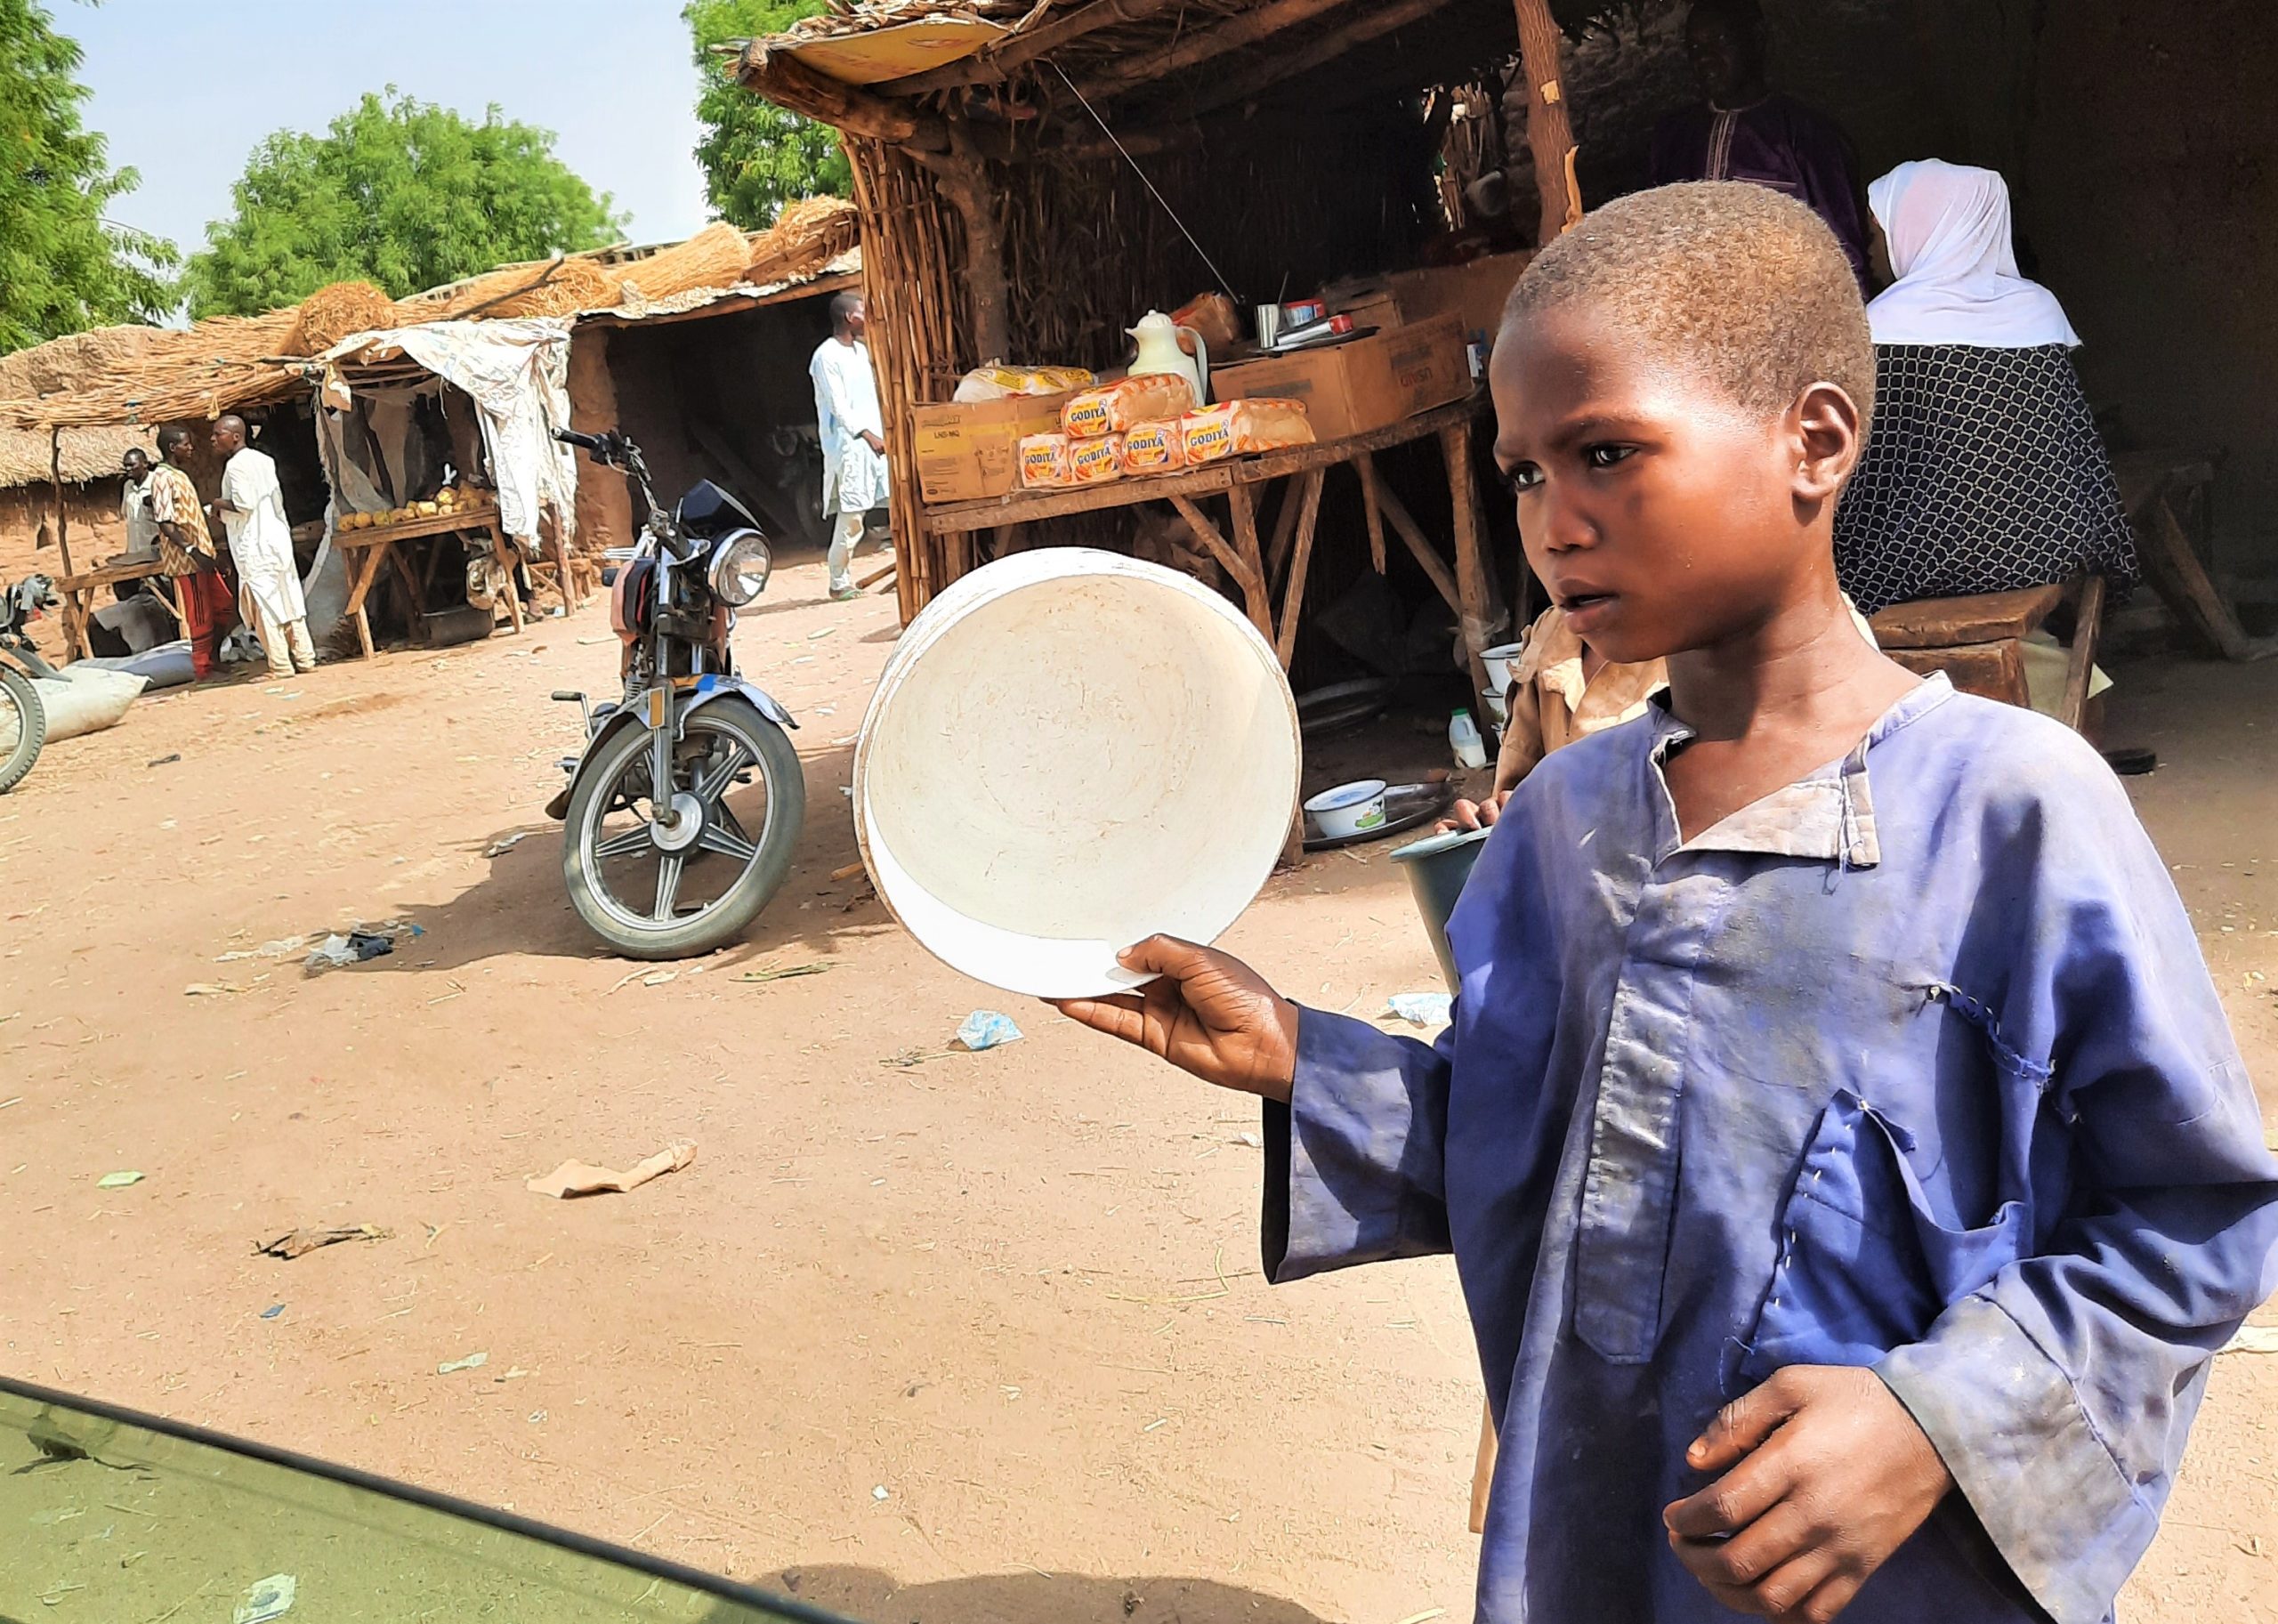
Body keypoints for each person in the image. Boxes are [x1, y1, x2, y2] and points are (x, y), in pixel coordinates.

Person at [1053, 183, 2277, 1622]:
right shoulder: (1559, 829)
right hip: (1596, 1546)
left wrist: (1946, 1418)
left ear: (1812, 441)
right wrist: (1314, 1064)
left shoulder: (2012, 815)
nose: (1555, 525)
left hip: (1898, 1584)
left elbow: (2194, 1211)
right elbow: (1555, 1153)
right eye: (1520, 473)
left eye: (1609, 454)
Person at [1834, 159, 2141, 624]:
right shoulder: (2036, 311)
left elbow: (1875, 482)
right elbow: (2078, 453)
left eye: (1878, 233)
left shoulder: (1884, 326)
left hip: (1913, 566)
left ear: (1921, 232)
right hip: (2055, 551)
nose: (1872, 250)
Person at [1648, 0, 1870, 287]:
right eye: (1694, 49)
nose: (1705, 58)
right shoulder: (1673, 137)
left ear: (1757, 38)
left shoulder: (1807, 136)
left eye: (1720, 40)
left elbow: (1845, 258)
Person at [209, 415, 316, 679]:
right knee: (288, 597)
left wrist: (217, 504)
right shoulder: (265, 461)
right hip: (276, 539)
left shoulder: (235, 467)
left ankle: (279, 665)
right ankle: (305, 657)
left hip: (254, 544)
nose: (212, 439)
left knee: (263, 602)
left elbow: (243, 504)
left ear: (235, 436)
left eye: (218, 433)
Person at [809, 292, 890, 602]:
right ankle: (838, 581)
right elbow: (838, 406)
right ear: (848, 317)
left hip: (875, 440)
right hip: (850, 445)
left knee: (890, 499)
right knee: (853, 513)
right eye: (862, 312)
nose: (867, 317)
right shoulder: (826, 357)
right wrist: (868, 435)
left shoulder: (860, 351)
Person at [146, 426, 237, 680]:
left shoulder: (179, 476)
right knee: (200, 614)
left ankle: (213, 657)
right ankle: (203, 668)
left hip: (202, 556)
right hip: (187, 560)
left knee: (224, 605)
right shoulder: (162, 478)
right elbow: (165, 523)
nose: (191, 448)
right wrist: (191, 550)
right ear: (173, 448)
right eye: (186, 444)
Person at [117, 448, 159, 565]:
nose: (127, 469)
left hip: (154, 552)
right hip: (134, 552)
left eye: (131, 465)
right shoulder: (128, 486)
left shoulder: (157, 483)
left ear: (145, 463)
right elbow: (127, 514)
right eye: (125, 466)